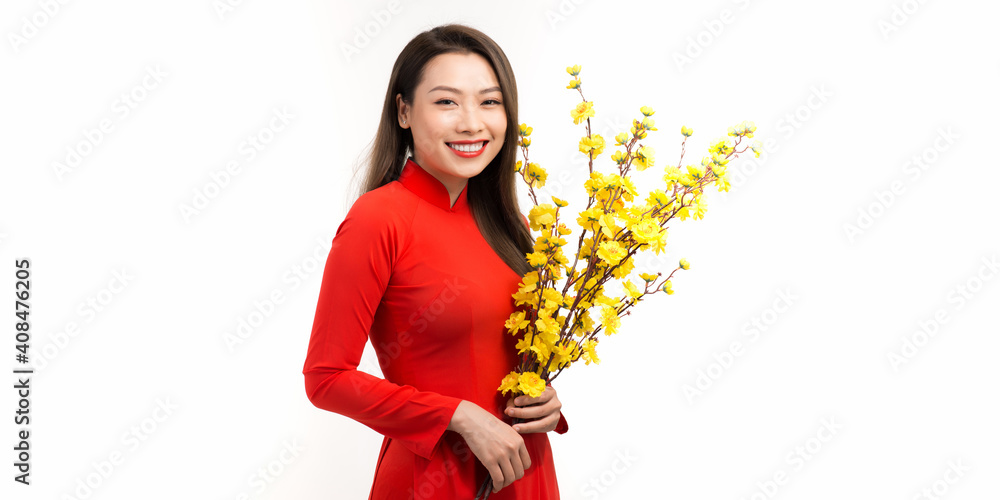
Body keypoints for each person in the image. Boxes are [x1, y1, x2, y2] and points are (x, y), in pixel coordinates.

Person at [301, 24, 569, 499]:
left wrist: (544, 404)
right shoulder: (379, 219)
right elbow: (326, 378)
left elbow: (512, 353)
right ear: (404, 111)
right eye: (447, 102)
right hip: (432, 480)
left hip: (523, 470)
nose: (471, 123)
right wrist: (457, 416)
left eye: (489, 102)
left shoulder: (511, 225)